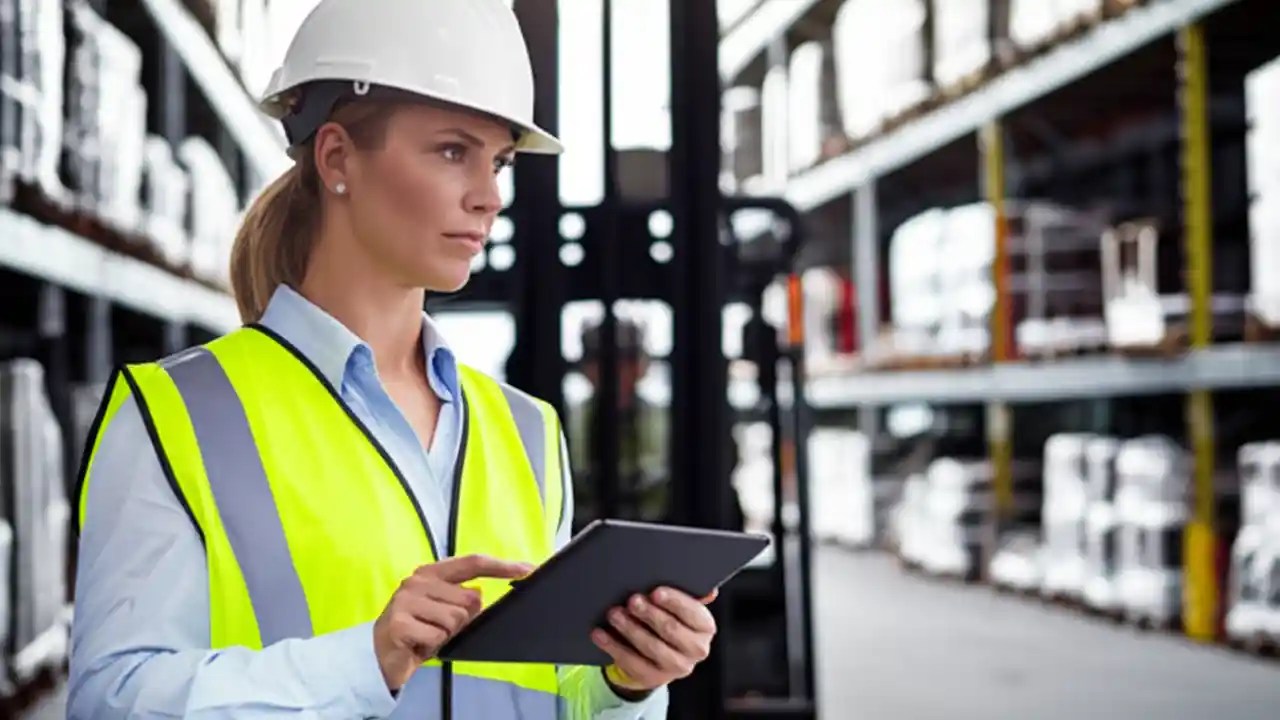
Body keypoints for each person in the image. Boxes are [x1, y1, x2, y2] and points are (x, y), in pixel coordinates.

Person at [66, 1, 717, 717]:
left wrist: (626, 680)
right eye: (451, 151)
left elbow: (556, 696)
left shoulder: (527, 430)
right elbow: (111, 701)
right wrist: (362, 659)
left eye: (498, 161)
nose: (491, 196)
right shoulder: (179, 413)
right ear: (338, 157)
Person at [567, 319, 670, 526]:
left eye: (628, 359)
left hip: (657, 530)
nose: (618, 370)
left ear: (642, 366)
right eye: (599, 360)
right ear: (586, 368)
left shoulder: (666, 421)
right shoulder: (567, 422)